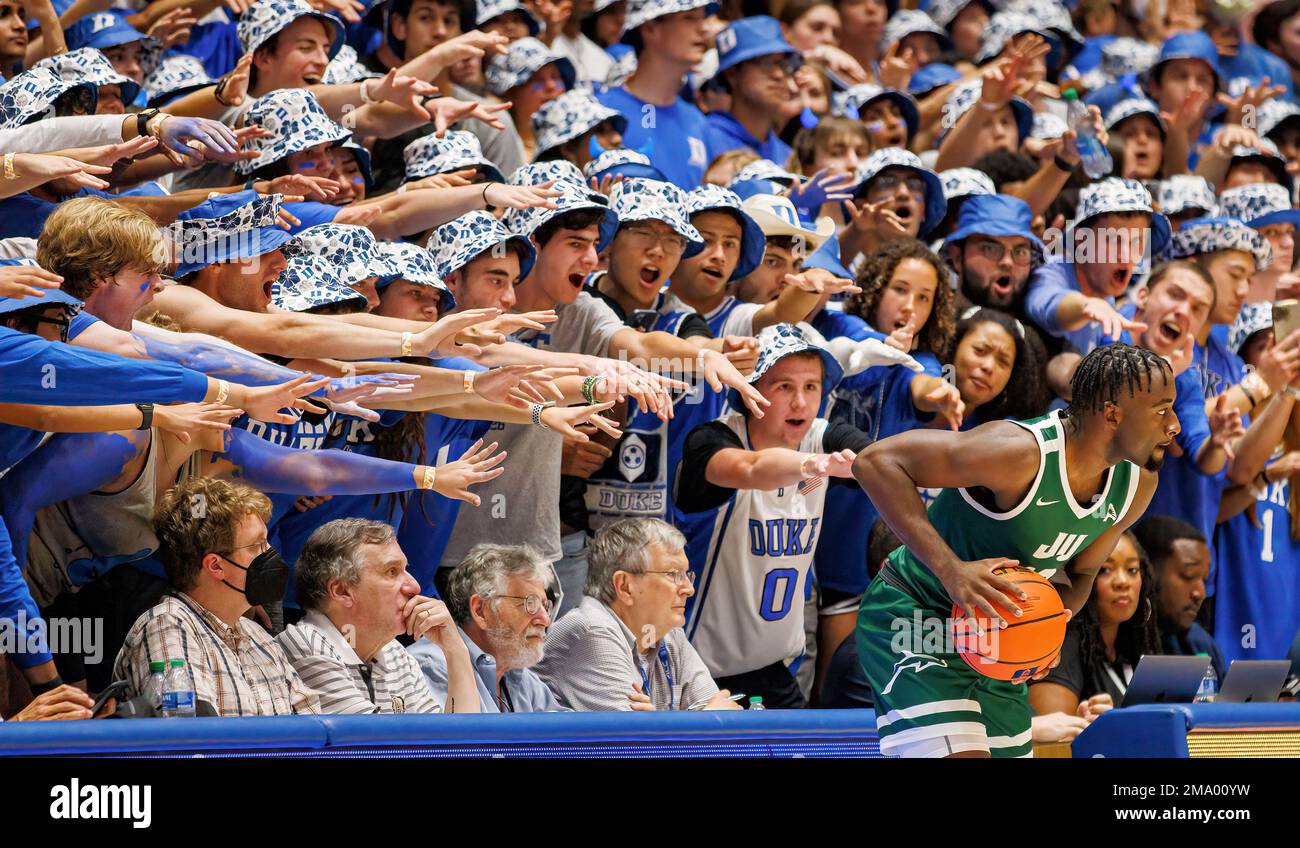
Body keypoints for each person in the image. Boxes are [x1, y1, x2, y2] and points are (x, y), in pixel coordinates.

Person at [853, 343, 1171, 757]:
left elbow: (1081, 575)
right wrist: (952, 570)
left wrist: (1052, 626)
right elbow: (875, 462)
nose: (1174, 426)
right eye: (1162, 411)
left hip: (1000, 636)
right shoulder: (1018, 451)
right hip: (920, 614)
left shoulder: (1136, 486)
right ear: (1112, 414)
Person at [674, 323, 868, 708]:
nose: (800, 403)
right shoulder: (710, 441)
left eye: (811, 387)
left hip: (775, 668)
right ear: (749, 392)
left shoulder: (822, 436)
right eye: (784, 387)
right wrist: (816, 465)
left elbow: (875, 457)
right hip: (699, 670)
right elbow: (750, 468)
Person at [111, 476, 321, 716]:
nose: (270, 553)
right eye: (256, 545)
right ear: (215, 566)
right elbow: (192, 737)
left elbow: (314, 727)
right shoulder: (168, 626)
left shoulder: (260, 638)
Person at [276, 518, 478, 713]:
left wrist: (455, 650)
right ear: (341, 591)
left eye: (405, 570)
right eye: (392, 571)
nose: (414, 587)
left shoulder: (395, 653)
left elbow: (456, 742)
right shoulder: (306, 645)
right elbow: (373, 746)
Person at [535, 518, 740, 710]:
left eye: (687, 575)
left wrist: (661, 723)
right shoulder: (591, 630)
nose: (688, 589)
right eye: (673, 574)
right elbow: (636, 744)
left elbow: (725, 720)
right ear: (625, 586)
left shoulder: (669, 635)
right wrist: (700, 721)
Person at [408, 543, 566, 712]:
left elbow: (571, 735)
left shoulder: (520, 677)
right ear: (480, 611)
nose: (545, 619)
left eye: (545, 606)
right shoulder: (430, 667)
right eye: (530, 604)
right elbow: (457, 736)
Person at [1028, 529, 1158, 714]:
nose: (1122, 582)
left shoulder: (1130, 648)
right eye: (1105, 570)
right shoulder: (1064, 645)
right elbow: (1053, 738)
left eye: (1132, 570)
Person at [595, 0, 717, 189]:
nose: (704, 29)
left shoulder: (698, 122)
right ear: (650, 28)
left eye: (703, 18)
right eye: (689, 18)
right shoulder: (600, 111)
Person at [1131, 514, 1225, 681]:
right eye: (1188, 576)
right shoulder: (1111, 647)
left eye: (1204, 579)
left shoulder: (1199, 644)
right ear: (1147, 572)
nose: (1200, 593)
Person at [705, 16, 804, 164]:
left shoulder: (787, 156)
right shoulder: (704, 138)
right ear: (732, 73)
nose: (779, 75)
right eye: (767, 63)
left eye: (784, 64)